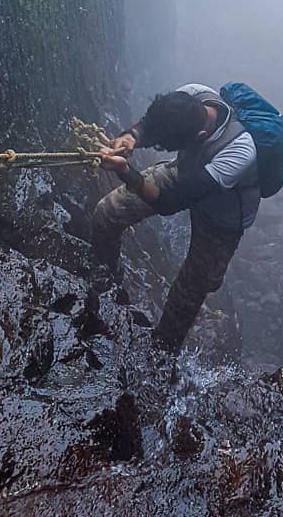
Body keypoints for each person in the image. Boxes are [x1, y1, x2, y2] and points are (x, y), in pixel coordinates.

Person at [92, 83, 260, 353]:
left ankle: (161, 353)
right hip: (186, 171)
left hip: (222, 215)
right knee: (107, 212)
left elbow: (170, 201)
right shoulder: (192, 94)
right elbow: (151, 122)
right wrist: (131, 137)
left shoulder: (239, 150)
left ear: (200, 135)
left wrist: (127, 174)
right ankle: (106, 283)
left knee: (189, 292)